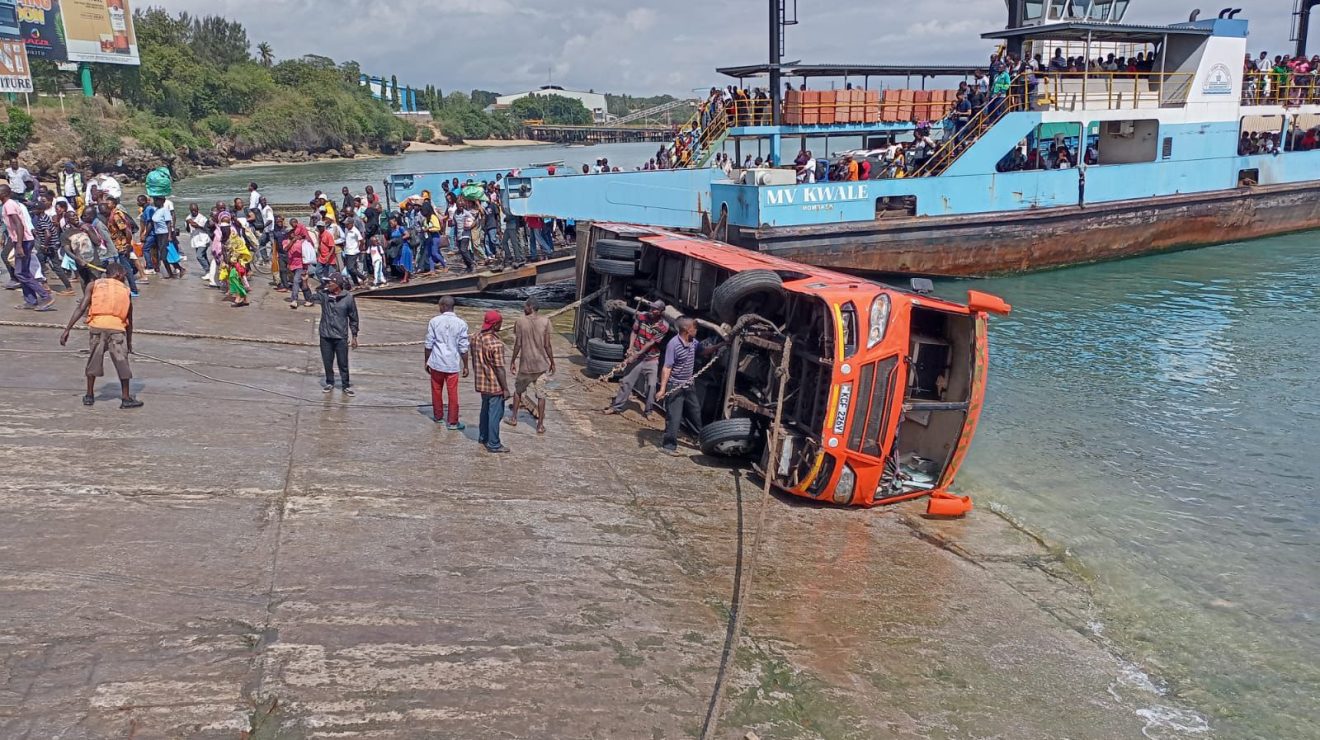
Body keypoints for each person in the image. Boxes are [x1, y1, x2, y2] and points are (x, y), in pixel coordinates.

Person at [59, 261, 141, 408]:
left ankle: (89, 396)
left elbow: (81, 307)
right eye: (123, 275)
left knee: (93, 361)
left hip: (97, 327)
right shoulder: (126, 290)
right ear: (118, 274)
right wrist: (129, 342)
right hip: (117, 329)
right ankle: (126, 398)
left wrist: (67, 330)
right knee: (122, 363)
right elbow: (129, 319)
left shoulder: (93, 285)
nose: (124, 277)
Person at [656, 317, 716, 456]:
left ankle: (699, 440)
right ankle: (669, 446)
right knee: (674, 417)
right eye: (694, 328)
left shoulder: (693, 342)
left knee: (695, 414)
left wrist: (719, 347)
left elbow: (703, 351)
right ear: (687, 330)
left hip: (689, 385)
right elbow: (667, 367)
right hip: (675, 385)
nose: (696, 330)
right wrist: (663, 389)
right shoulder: (674, 344)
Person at [604, 299, 670, 418]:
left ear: (660, 311)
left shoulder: (664, 326)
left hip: (652, 358)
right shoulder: (642, 316)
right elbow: (634, 332)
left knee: (652, 386)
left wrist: (636, 354)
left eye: (654, 309)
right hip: (637, 356)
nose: (651, 310)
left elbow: (651, 342)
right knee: (626, 382)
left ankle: (648, 411)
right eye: (651, 308)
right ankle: (616, 407)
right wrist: (630, 348)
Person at [1, 184, 54, 311]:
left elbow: (19, 225)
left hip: (23, 241)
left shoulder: (9, 205)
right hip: (21, 240)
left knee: (20, 272)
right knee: (23, 272)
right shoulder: (10, 204)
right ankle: (31, 300)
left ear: (4, 194)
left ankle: (45, 296)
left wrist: (19, 245)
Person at [508, 297, 555, 434]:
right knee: (541, 396)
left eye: (525, 306)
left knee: (518, 391)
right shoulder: (546, 321)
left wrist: (512, 361)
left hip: (525, 366)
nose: (524, 308)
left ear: (530, 307)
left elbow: (518, 344)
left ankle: (514, 418)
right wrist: (552, 361)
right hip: (541, 366)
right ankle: (540, 425)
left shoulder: (520, 322)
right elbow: (547, 345)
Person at [424, 295, 470, 429]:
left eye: (439, 305)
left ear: (444, 306)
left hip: (437, 362)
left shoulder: (434, 321)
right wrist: (466, 365)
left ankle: (438, 416)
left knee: (436, 390)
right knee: (453, 393)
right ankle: (453, 422)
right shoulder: (461, 323)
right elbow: (463, 347)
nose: (439, 307)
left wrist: (427, 361)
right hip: (452, 364)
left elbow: (428, 344)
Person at [309, 275, 359, 395]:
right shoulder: (324, 295)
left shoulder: (348, 298)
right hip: (325, 335)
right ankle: (329, 382)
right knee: (327, 361)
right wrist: (305, 285)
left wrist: (354, 336)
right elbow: (310, 298)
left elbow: (353, 317)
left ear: (337, 284)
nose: (327, 285)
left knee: (343, 362)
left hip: (340, 336)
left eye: (330, 283)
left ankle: (345, 385)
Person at [472, 309, 510, 453]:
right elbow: (500, 368)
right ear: (495, 325)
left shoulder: (476, 337)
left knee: (485, 411)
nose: (501, 325)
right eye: (500, 322)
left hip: (481, 382)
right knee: (496, 414)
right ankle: (494, 443)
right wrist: (505, 388)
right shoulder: (496, 344)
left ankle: (483, 436)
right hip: (494, 384)